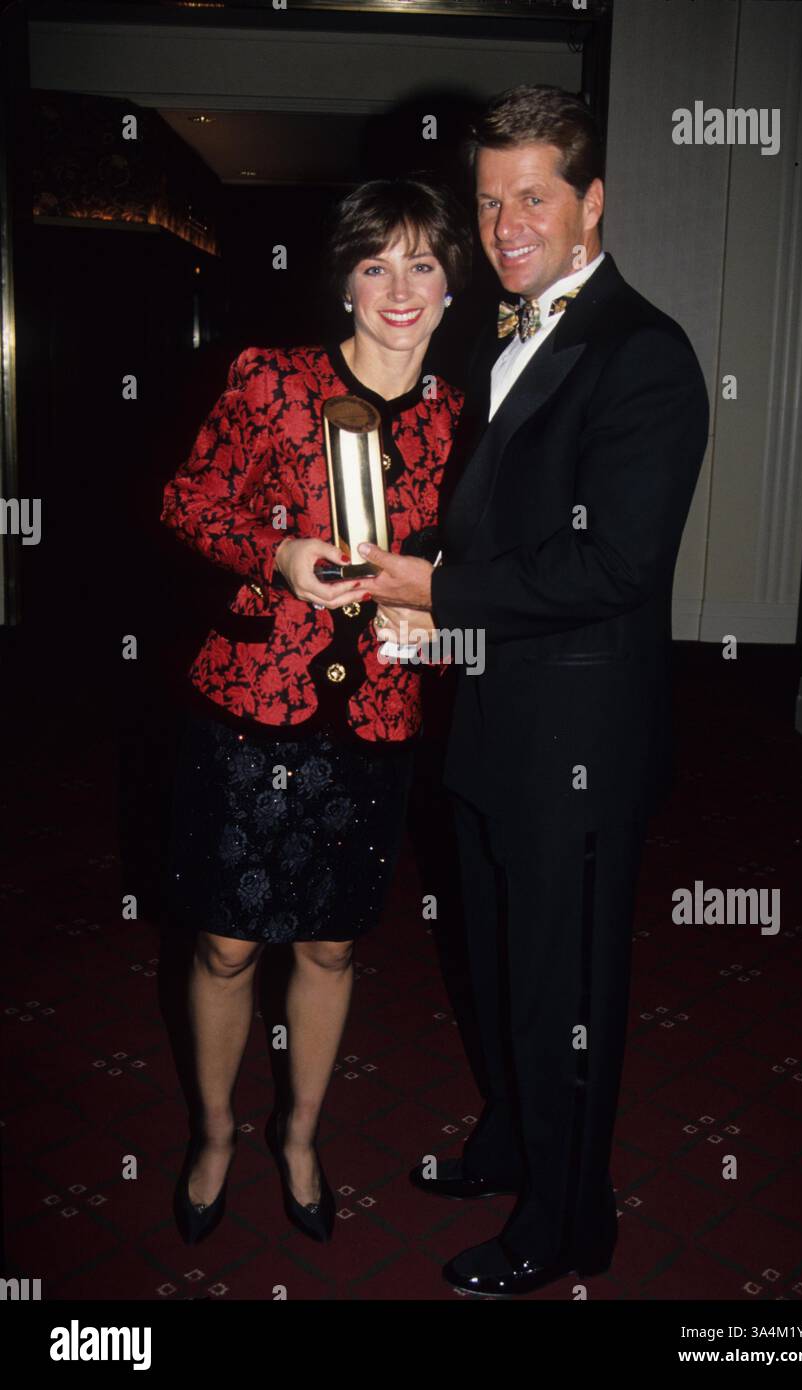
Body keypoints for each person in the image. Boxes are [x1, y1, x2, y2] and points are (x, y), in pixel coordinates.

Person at [364, 85, 710, 1295]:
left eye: (533, 196)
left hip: (579, 736)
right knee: (499, 955)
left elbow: (614, 562)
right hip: (489, 720)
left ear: (591, 201)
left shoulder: (645, 354)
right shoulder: (496, 337)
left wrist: (439, 587)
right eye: (489, 200)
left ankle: (568, 1222)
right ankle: (510, 1141)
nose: (507, 221)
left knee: (565, 986)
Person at [160, 176, 469, 1246]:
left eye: (422, 263)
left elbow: (485, 571)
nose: (398, 286)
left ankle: (298, 1134)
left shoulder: (465, 420)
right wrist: (276, 554)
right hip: (250, 708)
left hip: (376, 718)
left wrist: (443, 616)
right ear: (342, 276)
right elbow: (187, 500)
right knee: (227, 947)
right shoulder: (270, 381)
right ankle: (212, 1134)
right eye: (375, 262)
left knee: (331, 950)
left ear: (450, 285)